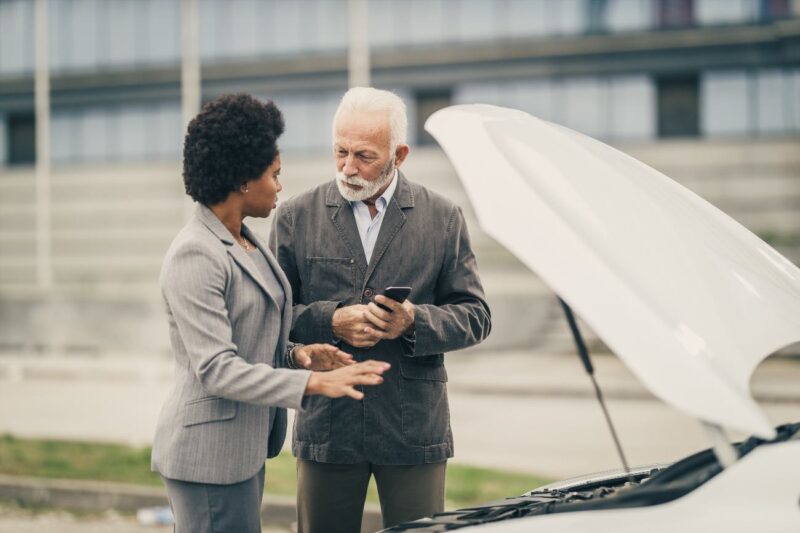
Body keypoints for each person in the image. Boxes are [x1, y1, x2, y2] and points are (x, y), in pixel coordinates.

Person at [150, 93, 390, 533]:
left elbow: (252, 335)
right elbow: (217, 369)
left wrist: (299, 355)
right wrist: (312, 383)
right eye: (275, 175)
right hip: (207, 454)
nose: (281, 187)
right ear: (244, 179)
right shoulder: (196, 254)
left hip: (240, 445)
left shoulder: (245, 240)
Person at [270, 87, 492, 532]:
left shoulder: (442, 217)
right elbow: (270, 316)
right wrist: (331, 319)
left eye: (364, 156)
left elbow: (476, 315)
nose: (348, 167)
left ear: (400, 154)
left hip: (414, 428)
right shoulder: (296, 216)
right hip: (328, 424)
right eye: (340, 152)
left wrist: (414, 322)